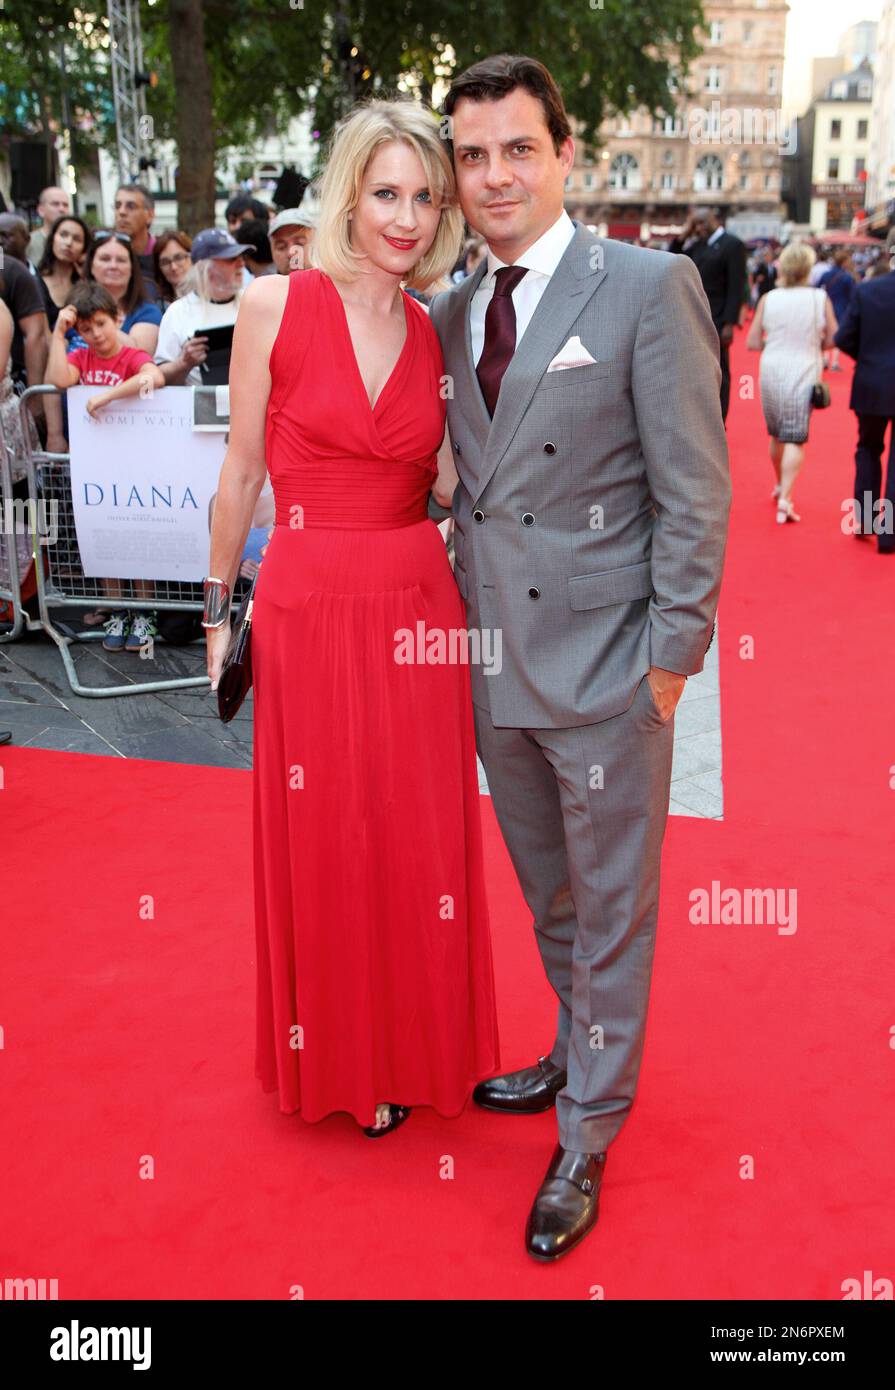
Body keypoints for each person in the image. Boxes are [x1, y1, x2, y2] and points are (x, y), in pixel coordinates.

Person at [429, 53, 730, 1260]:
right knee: (548, 888)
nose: (495, 174)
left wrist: (670, 663)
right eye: (472, 154)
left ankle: (588, 1126)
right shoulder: (452, 308)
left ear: (564, 154)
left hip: (610, 665)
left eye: (516, 148)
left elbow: (694, 490)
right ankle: (573, 1039)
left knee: (612, 907)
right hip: (498, 660)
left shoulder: (644, 287)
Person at [204, 98, 499, 1138]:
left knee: (414, 832)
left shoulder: (437, 326)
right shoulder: (274, 306)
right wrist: (213, 615)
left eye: (424, 196)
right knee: (330, 831)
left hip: (419, 600)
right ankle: (337, 1050)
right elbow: (240, 471)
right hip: (307, 600)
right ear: (346, 195)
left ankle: (417, 1043)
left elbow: (463, 481)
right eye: (386, 193)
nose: (407, 217)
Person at [46, 282, 166, 649]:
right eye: (85, 329)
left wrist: (108, 396)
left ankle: (143, 613)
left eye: (100, 323)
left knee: (137, 538)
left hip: (134, 466)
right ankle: (116, 611)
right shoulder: (80, 359)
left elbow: (154, 376)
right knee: (107, 539)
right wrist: (58, 331)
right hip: (96, 471)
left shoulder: (130, 357)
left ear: (116, 319)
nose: (95, 334)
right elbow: (58, 379)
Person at [746, 241, 836, 524]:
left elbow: (751, 341)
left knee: (776, 434)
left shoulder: (769, 298)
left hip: (772, 367)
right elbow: (834, 338)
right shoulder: (819, 298)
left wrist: (775, 344)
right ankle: (785, 497)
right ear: (808, 268)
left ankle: (778, 484)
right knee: (795, 434)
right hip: (805, 367)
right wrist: (814, 342)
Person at [834, 245, 895, 554]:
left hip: (871, 381)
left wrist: (870, 359)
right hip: (875, 378)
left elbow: (842, 338)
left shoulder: (868, 290)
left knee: (869, 449)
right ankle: (890, 533)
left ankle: (867, 520)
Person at [669, 205, 747, 422]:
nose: (700, 228)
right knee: (695, 367)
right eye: (696, 224)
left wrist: (730, 323)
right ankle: (699, 416)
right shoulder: (698, 246)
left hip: (719, 318)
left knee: (719, 370)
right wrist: (684, 234)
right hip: (694, 316)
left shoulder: (733, 245)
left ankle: (720, 419)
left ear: (715, 219)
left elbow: (736, 286)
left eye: (703, 223)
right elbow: (672, 259)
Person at [154, 229, 247, 386]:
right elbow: (159, 376)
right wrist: (184, 363)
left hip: (252, 406)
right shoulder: (178, 312)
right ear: (206, 268)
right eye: (231, 258)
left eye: (241, 257)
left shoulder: (253, 302)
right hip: (201, 407)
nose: (241, 263)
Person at [67, 231, 162, 356]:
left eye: (121, 260)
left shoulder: (148, 311)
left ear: (132, 268)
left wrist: (99, 321)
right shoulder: (74, 307)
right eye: (105, 259)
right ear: (91, 265)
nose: (113, 266)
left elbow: (139, 355)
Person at [817, 248, 855, 371]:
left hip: (825, 307)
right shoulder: (847, 277)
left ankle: (825, 359)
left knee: (825, 332)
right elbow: (853, 295)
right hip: (841, 309)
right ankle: (834, 362)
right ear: (844, 262)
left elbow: (817, 289)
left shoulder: (826, 274)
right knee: (837, 334)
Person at [113, 184, 158, 288]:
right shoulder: (105, 257)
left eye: (131, 206)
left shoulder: (163, 255)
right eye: (117, 206)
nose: (121, 212)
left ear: (150, 215)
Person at [26, 186, 71, 269]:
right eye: (55, 204)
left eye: (65, 205)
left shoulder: (73, 242)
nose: (61, 209)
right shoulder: (29, 242)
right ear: (41, 210)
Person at [268, 202, 319, 274]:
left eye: (299, 243)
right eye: (281, 247)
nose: (291, 253)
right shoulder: (261, 284)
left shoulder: (336, 283)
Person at [152, 230, 193, 308]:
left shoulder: (211, 297)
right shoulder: (158, 307)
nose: (173, 267)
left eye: (179, 258)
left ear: (192, 257)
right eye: (165, 262)